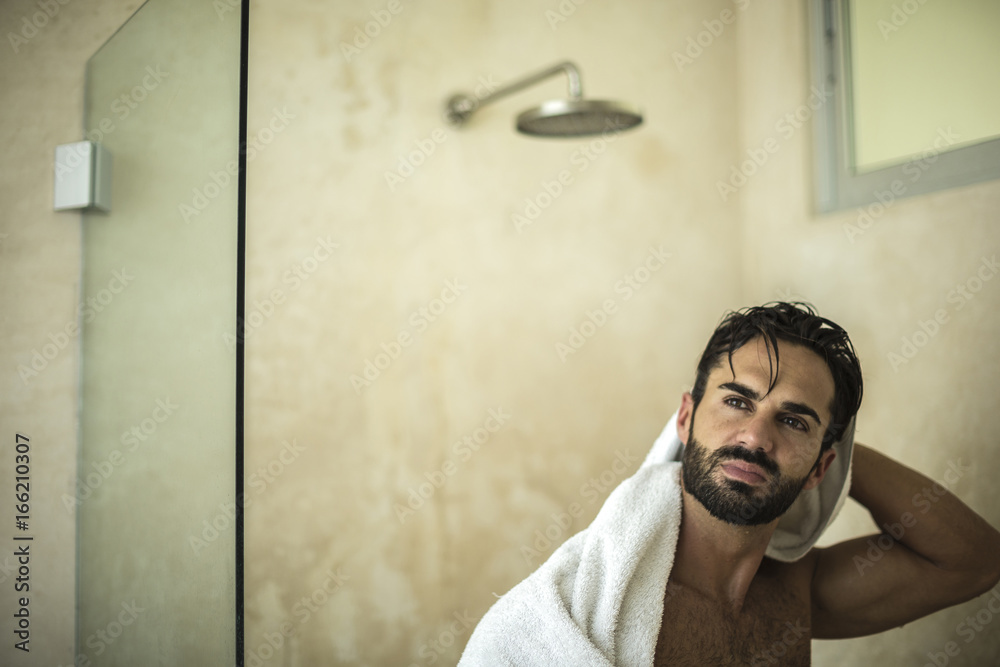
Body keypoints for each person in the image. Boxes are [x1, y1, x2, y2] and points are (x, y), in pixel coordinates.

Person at [654, 302, 1000, 664]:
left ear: (821, 469)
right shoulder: (600, 596)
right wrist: (804, 440)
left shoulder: (796, 595)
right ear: (685, 417)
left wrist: (820, 448)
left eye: (792, 421)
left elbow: (974, 560)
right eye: (737, 401)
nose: (756, 438)